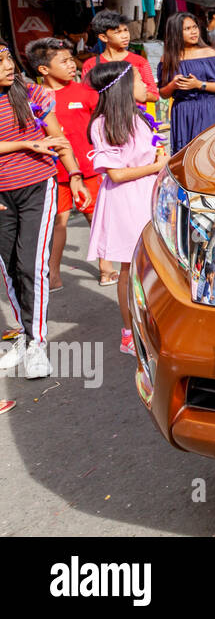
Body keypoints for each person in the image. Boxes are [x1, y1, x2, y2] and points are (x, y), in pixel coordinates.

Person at [0, 44, 88, 380]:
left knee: (30, 265)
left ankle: (36, 343)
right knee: (8, 266)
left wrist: (75, 175)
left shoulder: (33, 93)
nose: (9, 66)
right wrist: (24, 144)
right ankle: (23, 336)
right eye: (1, 62)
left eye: (9, 57)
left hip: (38, 185)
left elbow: (57, 137)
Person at [85, 62, 167, 355]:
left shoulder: (141, 117)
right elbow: (116, 174)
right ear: (123, 87)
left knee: (157, 265)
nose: (146, 84)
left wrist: (159, 156)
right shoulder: (102, 124)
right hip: (124, 200)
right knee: (130, 268)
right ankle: (130, 333)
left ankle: (156, 325)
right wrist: (155, 165)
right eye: (138, 80)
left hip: (149, 195)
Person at [25, 37, 116, 290]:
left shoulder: (86, 93)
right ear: (43, 69)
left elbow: (106, 125)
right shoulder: (33, 98)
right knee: (58, 223)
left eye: (70, 60)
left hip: (87, 169)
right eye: (63, 61)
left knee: (95, 218)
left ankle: (106, 269)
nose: (71, 65)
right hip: (52, 171)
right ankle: (53, 276)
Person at [158, 12, 215, 153]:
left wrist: (199, 84)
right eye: (187, 29)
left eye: (195, 27)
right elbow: (163, 93)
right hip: (182, 111)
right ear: (175, 32)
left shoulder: (209, 53)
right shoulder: (168, 58)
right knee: (185, 155)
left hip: (207, 108)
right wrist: (172, 84)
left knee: (208, 152)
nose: (193, 32)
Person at [82, 10, 159, 107]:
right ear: (103, 37)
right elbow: (86, 96)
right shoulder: (91, 65)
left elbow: (154, 95)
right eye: (118, 32)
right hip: (104, 119)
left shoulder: (139, 62)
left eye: (126, 30)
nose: (125, 36)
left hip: (133, 117)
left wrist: (133, 93)